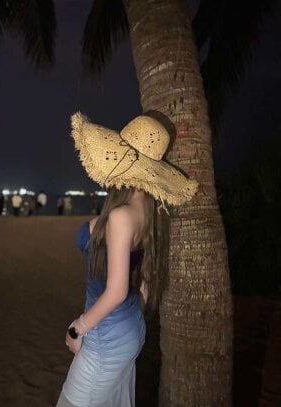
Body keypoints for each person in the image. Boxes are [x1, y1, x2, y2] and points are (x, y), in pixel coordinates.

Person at [56, 113, 198, 406]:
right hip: (129, 328)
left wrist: (78, 328)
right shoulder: (150, 214)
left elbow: (118, 291)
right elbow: (144, 282)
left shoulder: (121, 216)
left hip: (107, 337)